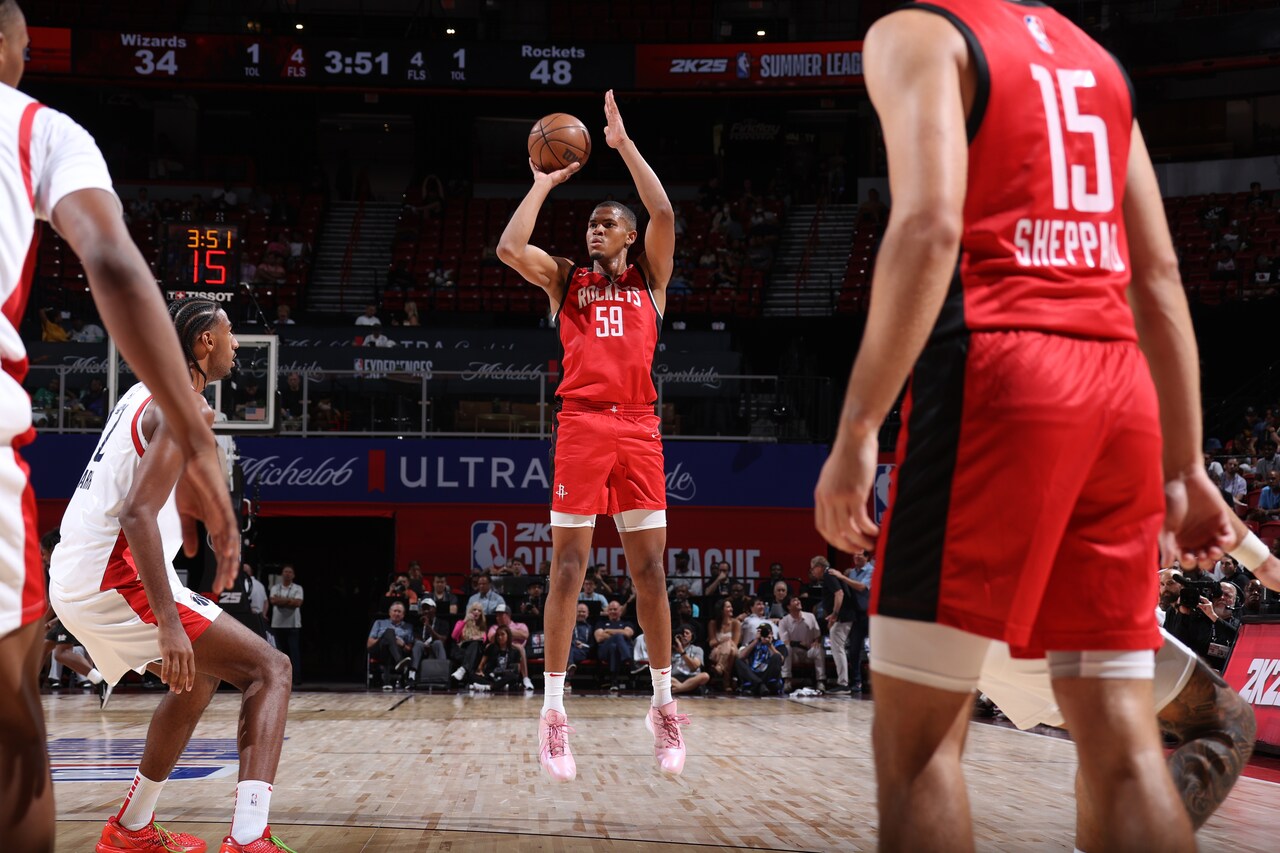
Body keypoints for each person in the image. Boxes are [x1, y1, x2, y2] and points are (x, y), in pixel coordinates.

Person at [812, 4, 1234, 850]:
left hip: (1001, 379)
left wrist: (859, 424)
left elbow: (931, 227)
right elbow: (1154, 274)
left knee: (921, 748)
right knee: (1122, 750)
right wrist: (1184, 463)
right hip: (1118, 394)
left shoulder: (918, 32)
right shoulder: (1096, 59)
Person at [0, 7, 241, 843]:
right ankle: (215, 831)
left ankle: (134, 822)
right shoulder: (35, 127)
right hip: (94, 562)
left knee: (200, 678)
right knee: (15, 728)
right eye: (26, 49)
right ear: (7, 51)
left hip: (94, 565)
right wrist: (181, 404)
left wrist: (211, 515)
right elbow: (107, 259)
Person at [49, 297, 294, 853]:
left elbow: (149, 489)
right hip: (114, 577)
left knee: (199, 677)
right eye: (228, 333)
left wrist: (190, 519)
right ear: (204, 343)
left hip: (75, 575)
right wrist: (168, 622)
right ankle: (249, 837)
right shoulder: (189, 408)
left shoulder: (141, 394)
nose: (235, 344)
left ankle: (131, 829)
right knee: (271, 670)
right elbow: (136, 511)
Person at [498, 90, 685, 780]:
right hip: (580, 425)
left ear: (629, 236)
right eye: (592, 225)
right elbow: (510, 246)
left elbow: (662, 210)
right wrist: (543, 182)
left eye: (607, 224)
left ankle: (662, 704)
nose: (595, 232)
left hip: (638, 428)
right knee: (568, 569)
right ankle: (552, 714)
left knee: (649, 574)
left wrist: (622, 145)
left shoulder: (652, 283)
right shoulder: (567, 280)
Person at [367, 601, 416, 690]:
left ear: (403, 615)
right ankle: (399, 662)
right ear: (389, 612)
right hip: (379, 651)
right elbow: (369, 644)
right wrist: (384, 637)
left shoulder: (408, 627)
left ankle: (386, 682)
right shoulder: (379, 623)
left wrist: (403, 644)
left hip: (398, 650)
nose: (396, 613)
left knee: (388, 645)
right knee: (389, 633)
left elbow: (409, 649)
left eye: (399, 612)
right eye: (395, 611)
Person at [269, 565, 303, 687]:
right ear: (282, 574)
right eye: (285, 571)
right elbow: (273, 601)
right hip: (277, 625)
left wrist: (281, 601)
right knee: (278, 653)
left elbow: (297, 603)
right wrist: (289, 601)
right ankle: (277, 678)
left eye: (290, 572)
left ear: (293, 575)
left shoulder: (298, 588)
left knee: (294, 652)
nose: (287, 574)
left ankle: (297, 678)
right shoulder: (275, 587)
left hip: (293, 625)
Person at [670, 626, 710, 695]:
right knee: (664, 678)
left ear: (692, 636)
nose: (684, 635)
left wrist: (682, 652)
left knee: (705, 676)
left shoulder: (697, 649)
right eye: (682, 634)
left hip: (692, 678)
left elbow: (694, 667)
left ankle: (678, 689)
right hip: (675, 678)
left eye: (687, 633)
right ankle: (686, 688)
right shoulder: (671, 649)